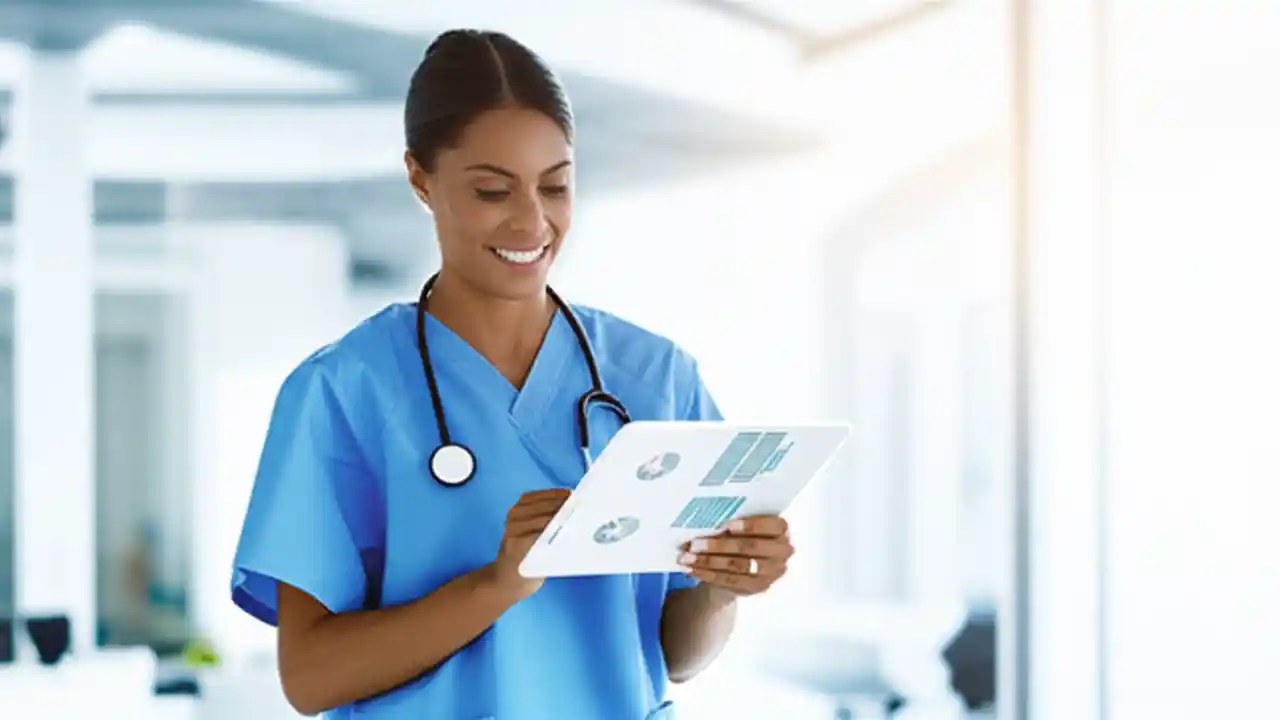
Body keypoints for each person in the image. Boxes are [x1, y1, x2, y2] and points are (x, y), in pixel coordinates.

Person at [230, 29, 795, 720]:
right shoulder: (344, 392)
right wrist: (495, 586)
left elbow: (672, 655)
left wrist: (723, 586)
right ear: (420, 179)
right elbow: (310, 679)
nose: (533, 221)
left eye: (555, 186)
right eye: (493, 191)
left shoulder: (657, 379)